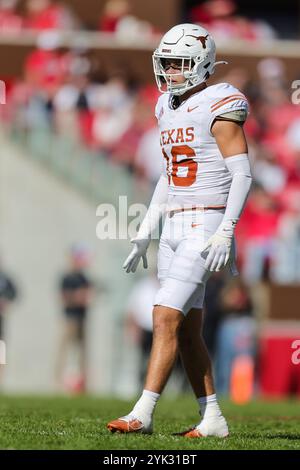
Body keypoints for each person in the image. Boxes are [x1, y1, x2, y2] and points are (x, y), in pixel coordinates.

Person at [107, 23, 252, 437]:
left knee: (164, 315)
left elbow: (241, 174)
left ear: (203, 64)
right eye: (167, 61)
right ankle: (212, 419)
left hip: (204, 223)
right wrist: (146, 229)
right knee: (187, 329)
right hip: (174, 224)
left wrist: (226, 229)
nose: (171, 69)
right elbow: (169, 176)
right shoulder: (164, 105)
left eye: (180, 62)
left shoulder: (220, 103)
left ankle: (143, 412)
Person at [55, 243, 93, 393]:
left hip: (82, 318)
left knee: (83, 352)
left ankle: (83, 384)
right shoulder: (68, 277)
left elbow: (89, 296)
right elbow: (65, 298)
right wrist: (79, 297)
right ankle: (58, 382)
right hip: (70, 319)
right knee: (64, 350)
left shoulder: (84, 278)